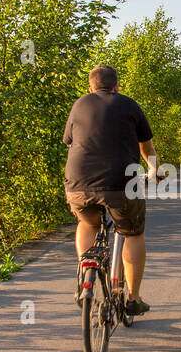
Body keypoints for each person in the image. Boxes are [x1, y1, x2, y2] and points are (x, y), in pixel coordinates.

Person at [63, 64, 154, 315]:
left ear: (91, 87)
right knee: (133, 233)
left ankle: (85, 273)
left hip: (78, 184)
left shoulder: (79, 104)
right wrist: (154, 169)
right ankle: (133, 299)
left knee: (88, 223)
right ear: (116, 86)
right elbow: (145, 146)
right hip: (121, 184)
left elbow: (70, 142)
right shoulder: (129, 105)